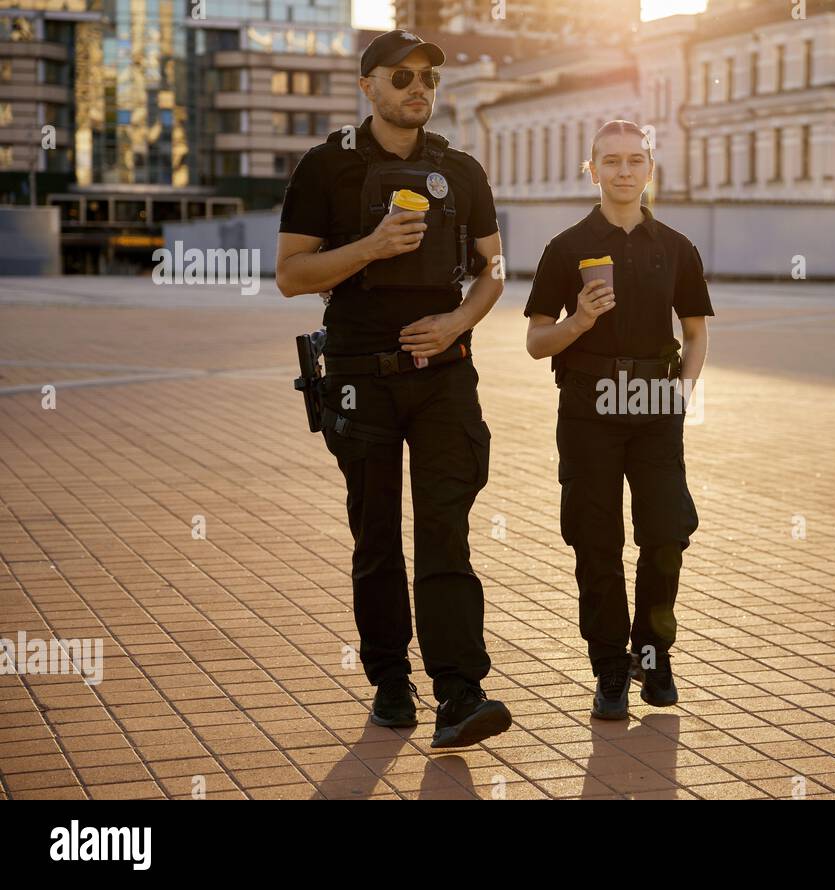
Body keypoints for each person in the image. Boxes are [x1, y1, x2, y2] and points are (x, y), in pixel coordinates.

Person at [275, 30, 510, 748]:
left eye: (429, 80)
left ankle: (461, 692)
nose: (419, 89)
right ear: (368, 86)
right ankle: (390, 684)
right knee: (376, 536)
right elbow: (291, 275)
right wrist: (373, 246)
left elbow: (494, 270)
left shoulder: (461, 170)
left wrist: (457, 321)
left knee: (447, 531)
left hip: (442, 376)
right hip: (358, 377)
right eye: (401, 76)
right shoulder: (325, 169)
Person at [523, 120, 714, 719]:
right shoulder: (566, 245)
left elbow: (697, 330)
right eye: (611, 161)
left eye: (635, 161)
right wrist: (578, 322)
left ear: (650, 170)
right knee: (594, 537)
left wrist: (682, 393)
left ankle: (654, 655)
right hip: (588, 401)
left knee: (665, 534)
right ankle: (609, 668)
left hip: (656, 400)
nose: (624, 171)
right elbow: (535, 342)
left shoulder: (677, 246)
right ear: (592, 169)